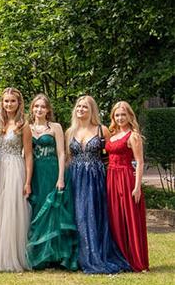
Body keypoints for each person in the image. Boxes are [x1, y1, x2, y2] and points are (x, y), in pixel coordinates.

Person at [66, 96, 131, 274]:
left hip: (95, 178)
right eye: (78, 106)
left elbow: (112, 155)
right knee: (77, 214)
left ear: (92, 110)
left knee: (93, 214)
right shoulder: (70, 131)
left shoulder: (102, 130)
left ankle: (94, 254)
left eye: (85, 107)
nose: (81, 109)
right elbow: (67, 158)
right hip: (75, 176)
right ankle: (78, 256)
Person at [25, 94, 77, 270]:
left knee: (53, 212)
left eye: (42, 106)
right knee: (37, 210)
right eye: (36, 106)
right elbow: (25, 154)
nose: (39, 109)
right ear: (32, 109)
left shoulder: (55, 127)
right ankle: (39, 256)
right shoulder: (27, 128)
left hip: (52, 170)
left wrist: (61, 177)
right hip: (35, 173)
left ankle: (55, 256)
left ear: (48, 110)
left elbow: (62, 153)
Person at [0, 88, 32, 272]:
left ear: (19, 103)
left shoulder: (24, 126)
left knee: (12, 212)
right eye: (6, 101)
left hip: (16, 168)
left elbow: (29, 155)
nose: (9, 104)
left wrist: (28, 181)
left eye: (12, 101)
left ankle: (11, 256)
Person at [106, 101, 148, 272]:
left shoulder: (133, 136)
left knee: (130, 217)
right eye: (117, 115)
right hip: (111, 177)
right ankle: (120, 256)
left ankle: (136, 259)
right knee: (115, 218)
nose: (120, 118)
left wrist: (137, 186)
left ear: (130, 116)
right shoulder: (112, 134)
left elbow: (139, 162)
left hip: (125, 177)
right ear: (113, 117)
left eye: (123, 114)